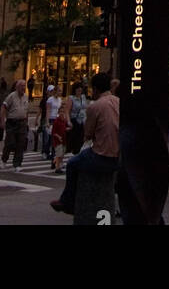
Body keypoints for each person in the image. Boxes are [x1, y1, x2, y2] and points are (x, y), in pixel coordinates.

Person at [50, 73, 120, 217]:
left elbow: (87, 134)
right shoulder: (119, 102)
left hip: (102, 155)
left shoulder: (95, 106)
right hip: (119, 156)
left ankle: (68, 201)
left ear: (95, 89)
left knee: (72, 163)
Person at [1, 78, 30, 171]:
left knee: (21, 143)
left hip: (22, 122)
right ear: (17, 87)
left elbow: (27, 110)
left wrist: (27, 121)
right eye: (21, 86)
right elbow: (4, 107)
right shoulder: (11, 96)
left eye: (24, 86)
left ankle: (17, 164)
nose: (23, 88)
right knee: (10, 142)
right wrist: (2, 120)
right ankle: (4, 159)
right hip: (12, 122)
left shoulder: (26, 97)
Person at [66, 82, 88, 154]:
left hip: (82, 121)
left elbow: (85, 108)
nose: (79, 91)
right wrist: (68, 121)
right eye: (78, 89)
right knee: (74, 140)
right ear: (74, 90)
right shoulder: (71, 98)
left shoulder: (83, 97)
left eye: (80, 89)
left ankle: (77, 153)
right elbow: (67, 111)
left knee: (81, 139)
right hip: (74, 120)